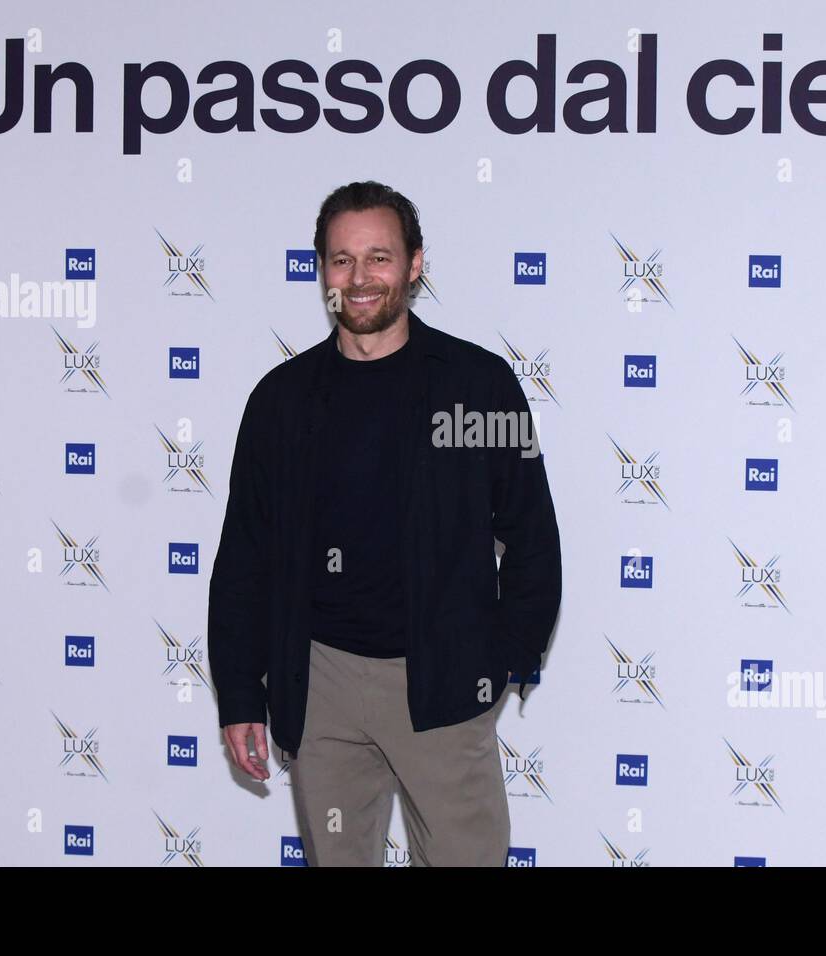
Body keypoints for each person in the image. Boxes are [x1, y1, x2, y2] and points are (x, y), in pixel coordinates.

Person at [208, 180, 562, 866]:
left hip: (446, 682)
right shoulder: (281, 401)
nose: (360, 278)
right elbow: (244, 557)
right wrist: (240, 693)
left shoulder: (477, 385)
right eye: (342, 260)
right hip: (320, 685)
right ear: (322, 272)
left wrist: (504, 658)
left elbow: (531, 535)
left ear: (414, 265)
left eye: (379, 257)